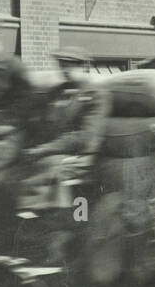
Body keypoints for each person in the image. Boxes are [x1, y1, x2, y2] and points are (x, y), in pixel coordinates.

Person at [18, 48, 111, 211]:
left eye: (70, 66)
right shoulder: (57, 92)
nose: (65, 70)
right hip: (54, 151)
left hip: (80, 156)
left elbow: (84, 136)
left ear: (85, 67)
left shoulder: (96, 95)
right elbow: (41, 122)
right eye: (62, 65)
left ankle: (51, 218)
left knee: (46, 167)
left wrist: (43, 149)